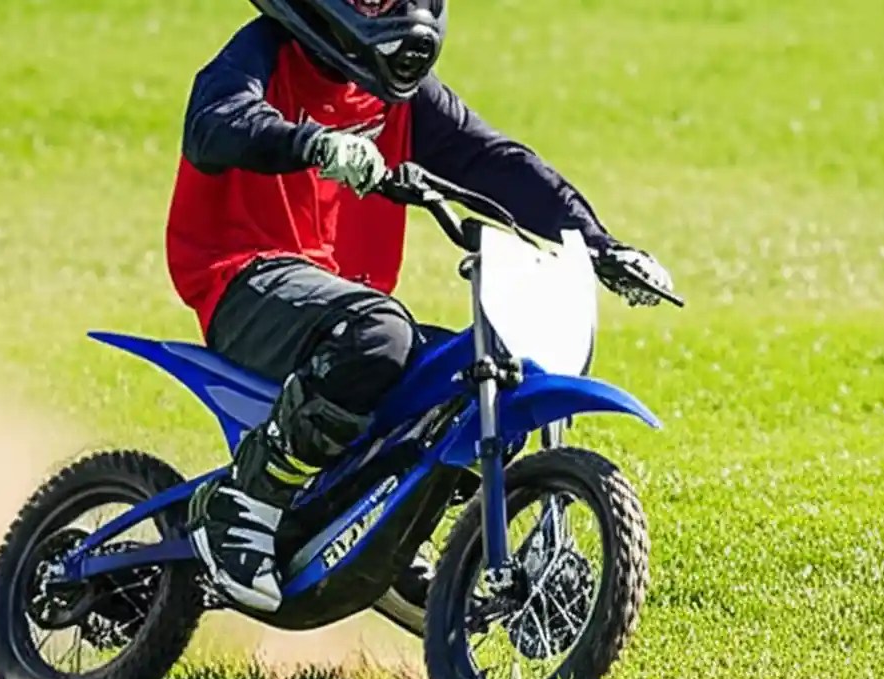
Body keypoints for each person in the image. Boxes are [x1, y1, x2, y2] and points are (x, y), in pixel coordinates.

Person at [165, 0, 674, 613]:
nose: (399, 12)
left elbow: (495, 163)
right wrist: (313, 144)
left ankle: (390, 536)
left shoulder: (400, 95)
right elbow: (215, 124)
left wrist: (600, 244)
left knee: (471, 376)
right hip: (243, 277)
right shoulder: (265, 52)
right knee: (380, 334)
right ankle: (244, 502)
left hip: (340, 304)